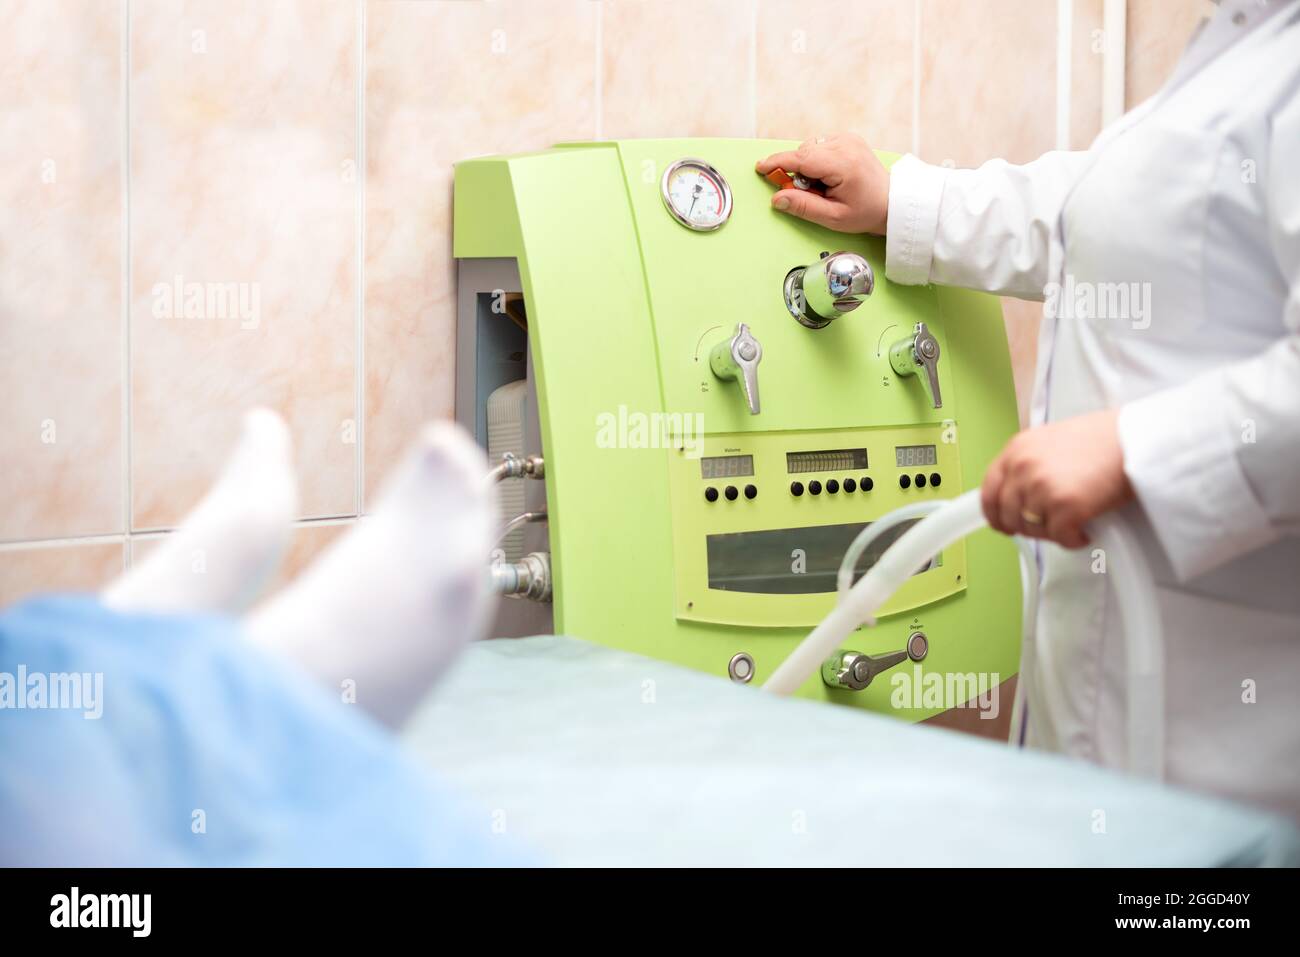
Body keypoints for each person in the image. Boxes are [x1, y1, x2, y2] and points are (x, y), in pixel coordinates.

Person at [757, 0, 1299, 820]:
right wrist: (903, 199)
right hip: (1112, 730)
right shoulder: (1240, 52)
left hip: (1235, 754)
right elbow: (1101, 218)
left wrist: (1136, 450)